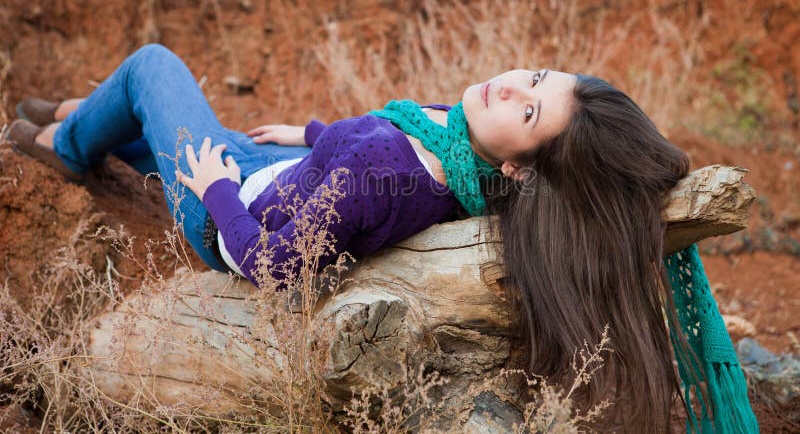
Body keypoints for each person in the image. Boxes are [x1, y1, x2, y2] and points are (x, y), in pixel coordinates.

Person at [3, 44, 746, 431]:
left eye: (528, 112)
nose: (511, 86)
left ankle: (69, 141)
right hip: (285, 168)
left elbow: (271, 265)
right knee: (177, 119)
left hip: (237, 216)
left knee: (152, 68)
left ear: (522, 167)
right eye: (538, 76)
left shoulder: (383, 172)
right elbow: (379, 137)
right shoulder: (471, 170)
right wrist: (313, 134)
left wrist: (216, 193)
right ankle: (88, 117)